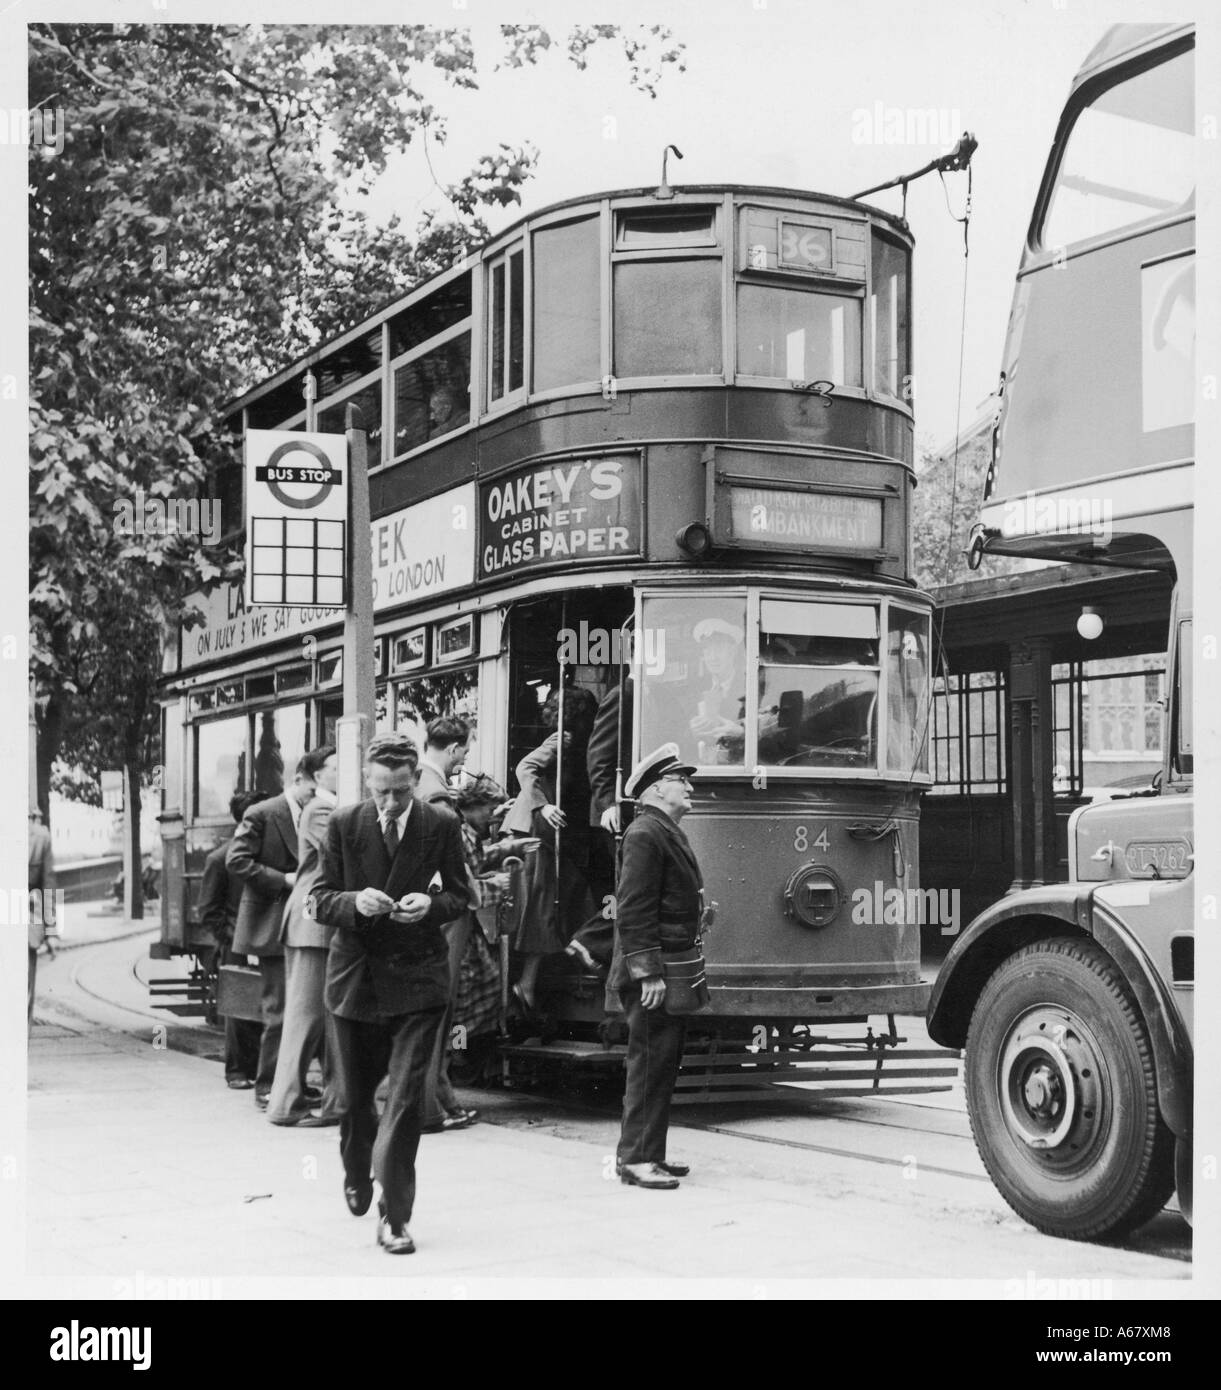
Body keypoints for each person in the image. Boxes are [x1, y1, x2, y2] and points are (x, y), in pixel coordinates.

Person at [311, 734, 469, 1255]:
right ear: (367, 782)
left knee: (403, 1102)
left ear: (415, 781)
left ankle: (394, 1215)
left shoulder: (441, 823)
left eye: (400, 791)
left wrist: (432, 902)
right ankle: (358, 1166)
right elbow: (318, 899)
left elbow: (463, 895)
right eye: (381, 791)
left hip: (418, 981)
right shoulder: (343, 823)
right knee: (356, 1103)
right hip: (355, 981)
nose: (391, 802)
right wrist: (356, 901)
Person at [608, 743, 705, 1191]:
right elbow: (633, 908)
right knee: (649, 1062)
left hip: (669, 968)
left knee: (661, 1062)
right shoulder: (646, 833)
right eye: (680, 779)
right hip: (654, 974)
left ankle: (651, 1153)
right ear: (657, 787)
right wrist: (647, 971)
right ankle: (634, 1159)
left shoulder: (662, 830)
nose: (688, 785)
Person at [501, 687, 599, 1010]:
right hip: (535, 834)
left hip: (538, 835)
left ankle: (570, 955)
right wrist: (543, 806)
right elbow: (524, 767)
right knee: (545, 907)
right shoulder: (563, 739)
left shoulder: (565, 740)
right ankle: (533, 978)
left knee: (558, 900)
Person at [226, 758, 316, 1110]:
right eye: (312, 788)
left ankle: (291, 1083)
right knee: (279, 1010)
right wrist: (283, 880)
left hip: (302, 925)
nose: (315, 795)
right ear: (299, 780)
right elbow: (237, 860)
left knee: (301, 1010)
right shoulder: (264, 812)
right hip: (272, 927)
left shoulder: (313, 812)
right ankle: (268, 1086)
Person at [267, 746, 342, 1127]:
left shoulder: (328, 807)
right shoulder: (322, 810)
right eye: (334, 765)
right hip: (313, 924)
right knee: (306, 1017)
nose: (344, 768)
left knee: (326, 1017)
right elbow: (343, 856)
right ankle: (285, 1104)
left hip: (319, 923)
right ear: (316, 776)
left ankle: (337, 1101)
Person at [414, 716, 479, 1132]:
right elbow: (454, 870)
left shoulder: (418, 783)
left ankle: (442, 1099)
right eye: (467, 749)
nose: (467, 756)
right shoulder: (437, 797)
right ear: (453, 749)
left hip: (425, 911)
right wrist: (478, 894)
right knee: (441, 1004)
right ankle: (433, 1105)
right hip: (444, 917)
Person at [197, 791, 264, 1088]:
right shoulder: (220, 859)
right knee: (239, 1010)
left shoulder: (260, 854)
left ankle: (259, 1071)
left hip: (265, 940)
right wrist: (230, 939)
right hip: (237, 943)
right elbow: (208, 910)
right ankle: (236, 1071)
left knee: (264, 1009)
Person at [688, 617, 746, 764]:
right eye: (707, 651)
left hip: (740, 771)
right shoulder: (696, 688)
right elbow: (679, 734)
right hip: (705, 768)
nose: (712, 657)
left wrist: (742, 733)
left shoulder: (750, 685)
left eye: (719, 649)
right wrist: (692, 731)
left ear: (732, 651)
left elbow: (773, 727)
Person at [28, 808, 57, 1030]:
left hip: (23, 921)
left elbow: (49, 885)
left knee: (23, 995)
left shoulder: (41, 838)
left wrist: (51, 929)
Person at [414, 715, 470, 807]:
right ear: (453, 750)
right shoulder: (438, 795)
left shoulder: (412, 777)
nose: (464, 761)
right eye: (465, 753)